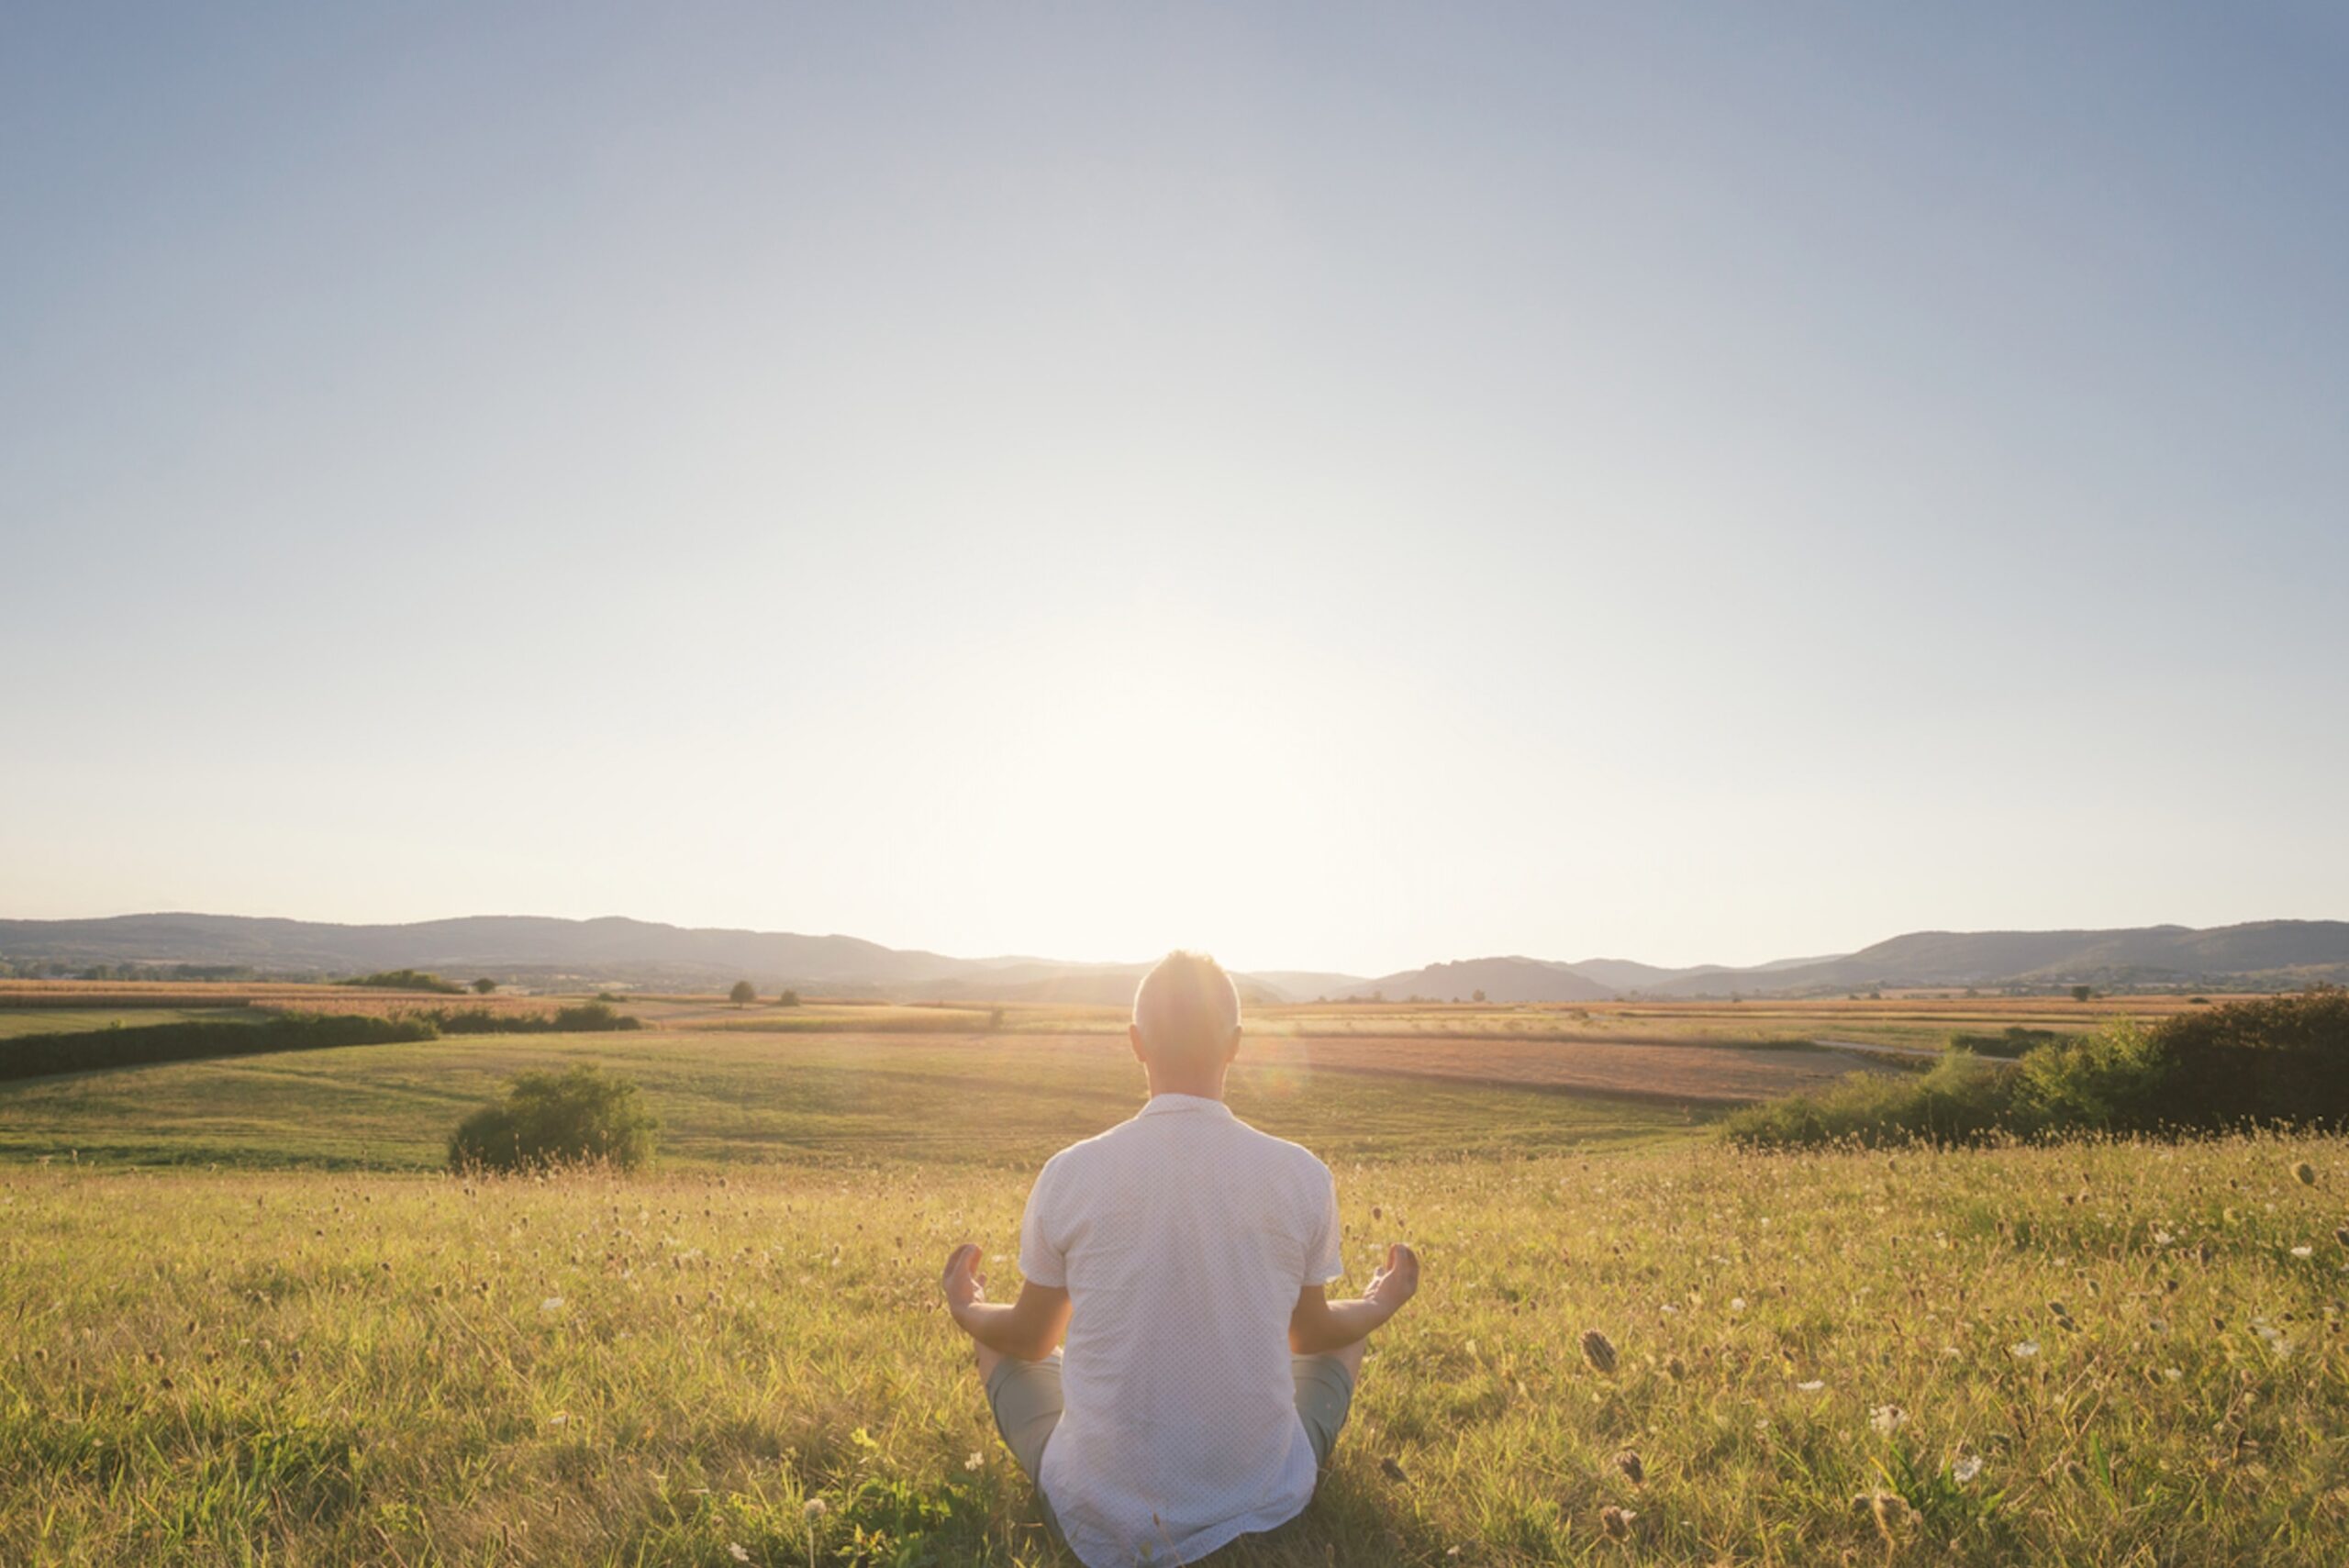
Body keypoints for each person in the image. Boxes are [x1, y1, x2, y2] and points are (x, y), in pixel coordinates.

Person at [939, 951, 1422, 1566]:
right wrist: (1384, 1299)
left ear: (1136, 1044)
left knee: (995, 1334)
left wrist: (966, 1306)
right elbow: (1311, 1332)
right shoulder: (1301, 1174)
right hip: (1262, 1494)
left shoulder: (1071, 1171)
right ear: (1236, 1045)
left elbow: (1033, 1339)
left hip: (1098, 1509)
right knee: (1348, 1328)